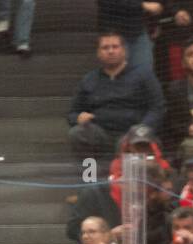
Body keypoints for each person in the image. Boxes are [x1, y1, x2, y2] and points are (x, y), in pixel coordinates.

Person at [67, 32, 165, 164]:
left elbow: (158, 107)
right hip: (100, 132)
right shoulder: (89, 79)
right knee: (78, 133)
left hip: (133, 131)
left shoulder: (143, 75)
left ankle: (130, 182)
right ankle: (89, 179)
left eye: (115, 46)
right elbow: (72, 113)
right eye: (105, 48)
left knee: (136, 140)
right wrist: (77, 118)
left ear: (124, 50)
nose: (111, 51)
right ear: (98, 53)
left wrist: (142, 128)